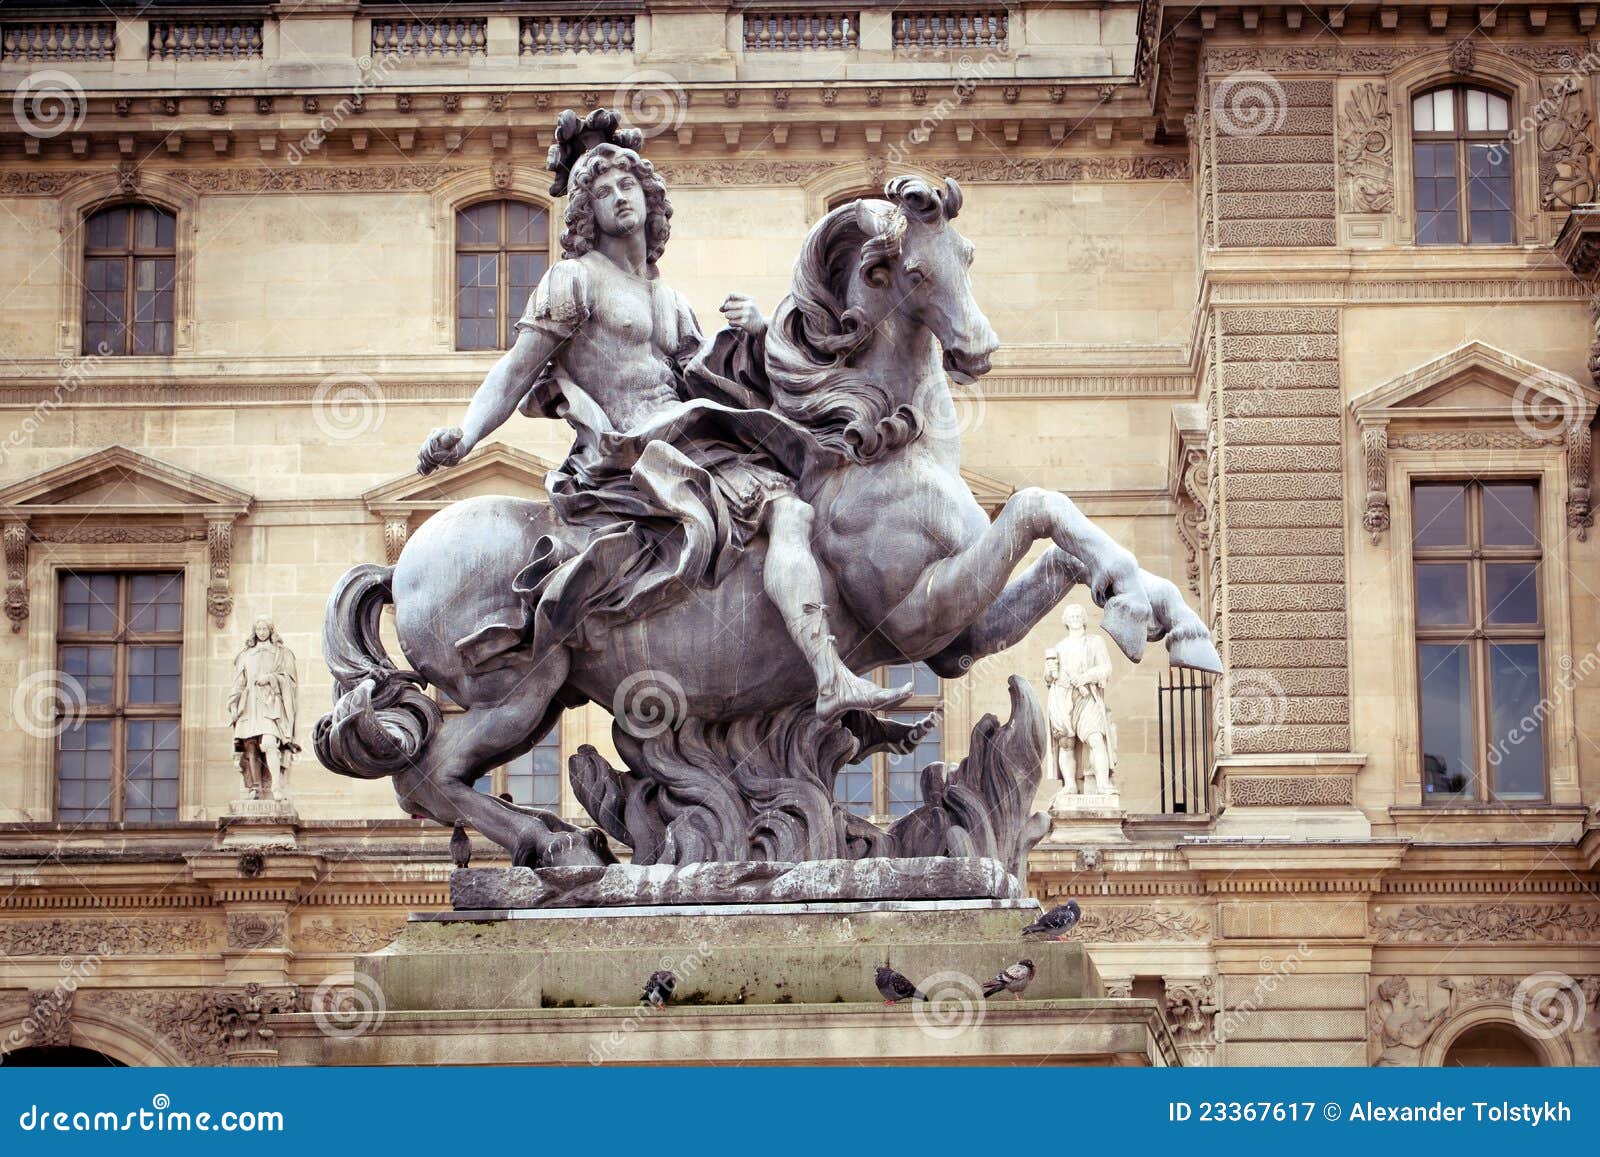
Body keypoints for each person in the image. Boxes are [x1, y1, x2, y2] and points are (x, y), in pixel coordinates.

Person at [417, 137, 910, 720]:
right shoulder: (574, 280)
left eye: (627, 186)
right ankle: (829, 676)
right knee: (790, 512)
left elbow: (708, 379)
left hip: (688, 438)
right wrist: (467, 434)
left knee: (803, 498)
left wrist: (756, 331)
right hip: (630, 455)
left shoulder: (669, 300)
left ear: (650, 200)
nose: (619, 197)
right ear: (587, 214)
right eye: (603, 192)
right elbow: (516, 369)